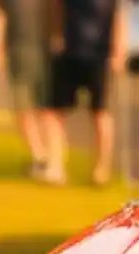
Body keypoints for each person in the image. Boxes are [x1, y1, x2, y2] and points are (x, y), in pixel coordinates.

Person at [40, 0, 127, 186]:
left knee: (100, 112)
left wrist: (119, 51)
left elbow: (120, 16)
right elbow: (57, 8)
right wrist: (56, 36)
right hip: (68, 51)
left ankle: (101, 170)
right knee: (55, 111)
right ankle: (55, 166)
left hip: (99, 54)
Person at [0, 0, 49, 177]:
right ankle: (41, 156)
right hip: (23, 50)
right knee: (26, 106)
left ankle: (44, 157)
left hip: (40, 50)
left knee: (35, 107)